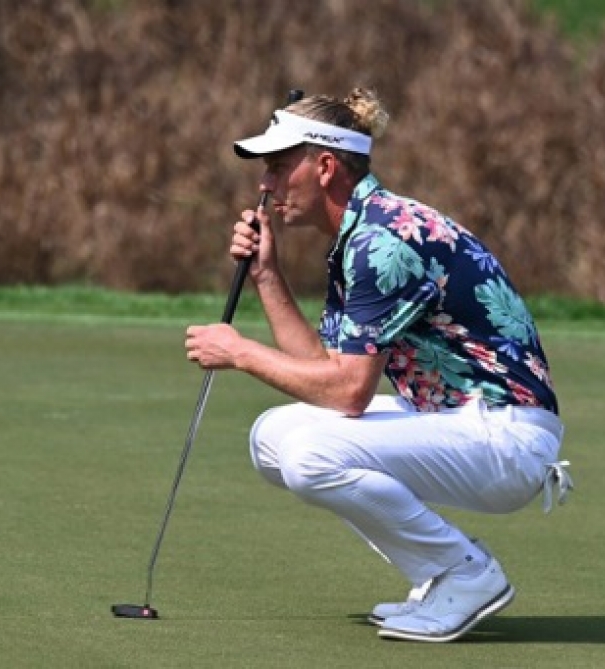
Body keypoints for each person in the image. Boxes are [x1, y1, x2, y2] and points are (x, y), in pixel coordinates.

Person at [184, 87, 572, 643]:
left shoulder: (381, 242)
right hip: (462, 423)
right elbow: (323, 371)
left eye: (278, 167)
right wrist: (268, 276)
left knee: (310, 454)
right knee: (272, 436)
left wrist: (239, 352)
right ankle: (439, 577)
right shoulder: (362, 232)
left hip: (504, 440)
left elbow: (348, 393)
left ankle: (465, 574)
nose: (265, 184)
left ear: (324, 167)